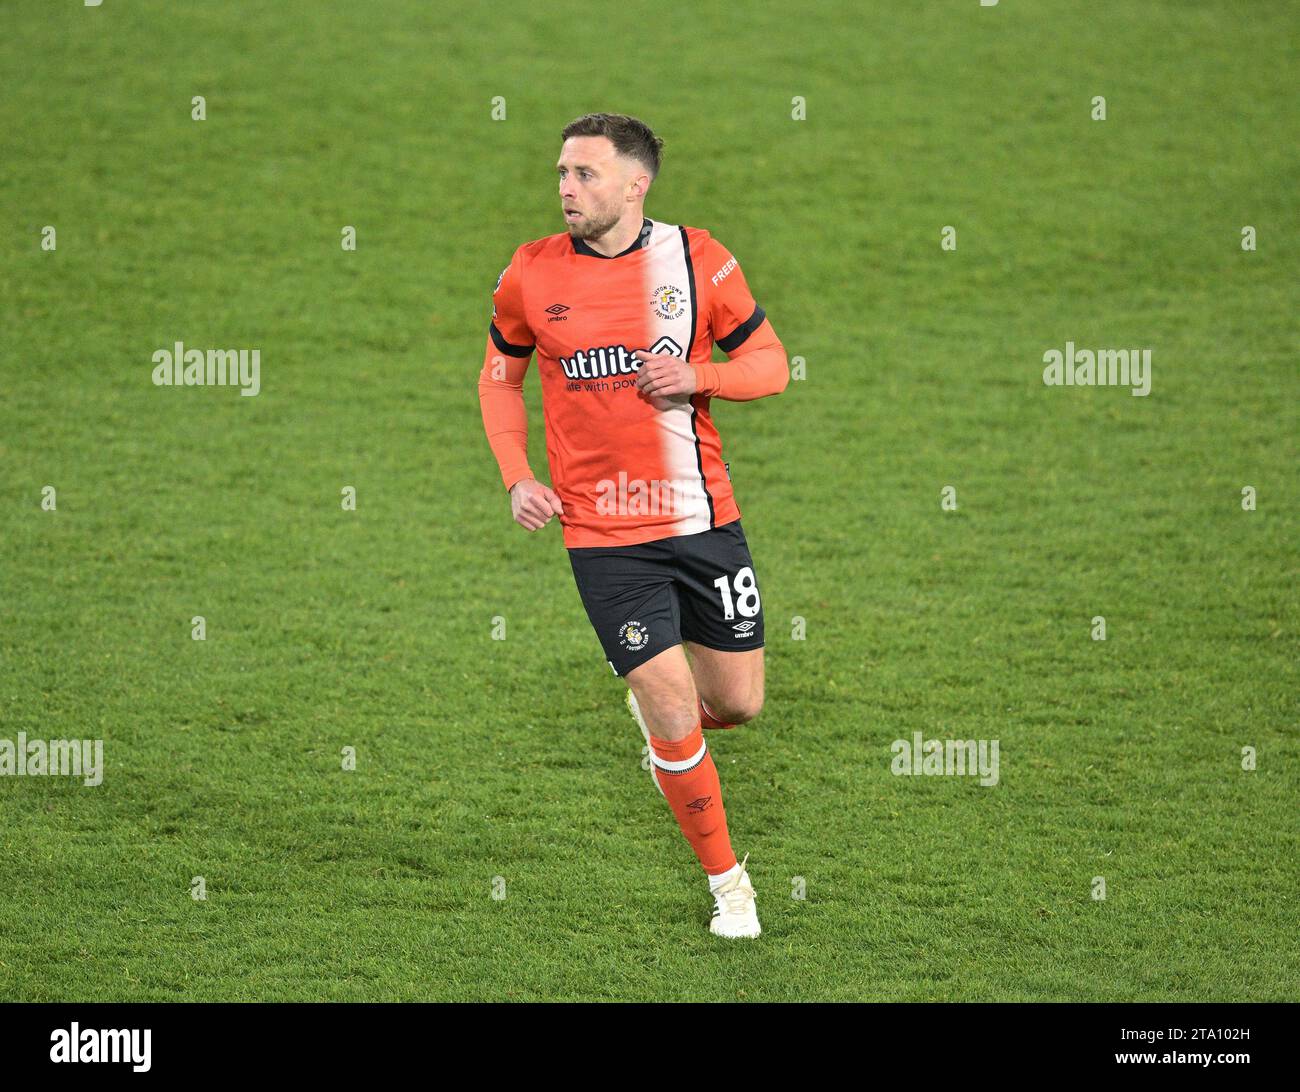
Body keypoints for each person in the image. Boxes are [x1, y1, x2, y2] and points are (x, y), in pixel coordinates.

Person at [477, 112, 789, 938]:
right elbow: (498, 379)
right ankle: (730, 888)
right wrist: (518, 478)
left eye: (584, 175)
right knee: (673, 706)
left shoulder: (699, 259)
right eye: (561, 174)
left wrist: (700, 375)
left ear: (635, 183)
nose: (565, 189)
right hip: (602, 536)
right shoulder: (530, 273)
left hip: (702, 519)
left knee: (741, 703)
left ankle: (666, 725)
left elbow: (772, 366)